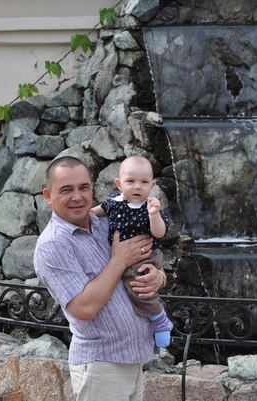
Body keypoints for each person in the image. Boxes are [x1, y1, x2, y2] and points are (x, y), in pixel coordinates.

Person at [34, 156, 167, 401]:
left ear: (92, 189)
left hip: (133, 360)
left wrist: (159, 277)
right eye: (66, 190)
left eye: (83, 187)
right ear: (48, 195)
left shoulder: (109, 222)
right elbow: (83, 308)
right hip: (101, 366)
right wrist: (119, 261)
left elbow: (145, 257)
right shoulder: (53, 246)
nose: (77, 196)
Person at [90, 155, 173, 349]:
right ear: (119, 184)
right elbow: (96, 211)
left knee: (139, 285)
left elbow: (159, 233)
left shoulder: (149, 207)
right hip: (123, 256)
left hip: (145, 256)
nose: (137, 187)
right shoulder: (113, 201)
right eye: (130, 181)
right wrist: (86, 215)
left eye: (144, 182)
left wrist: (154, 215)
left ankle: (159, 318)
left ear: (152, 185)